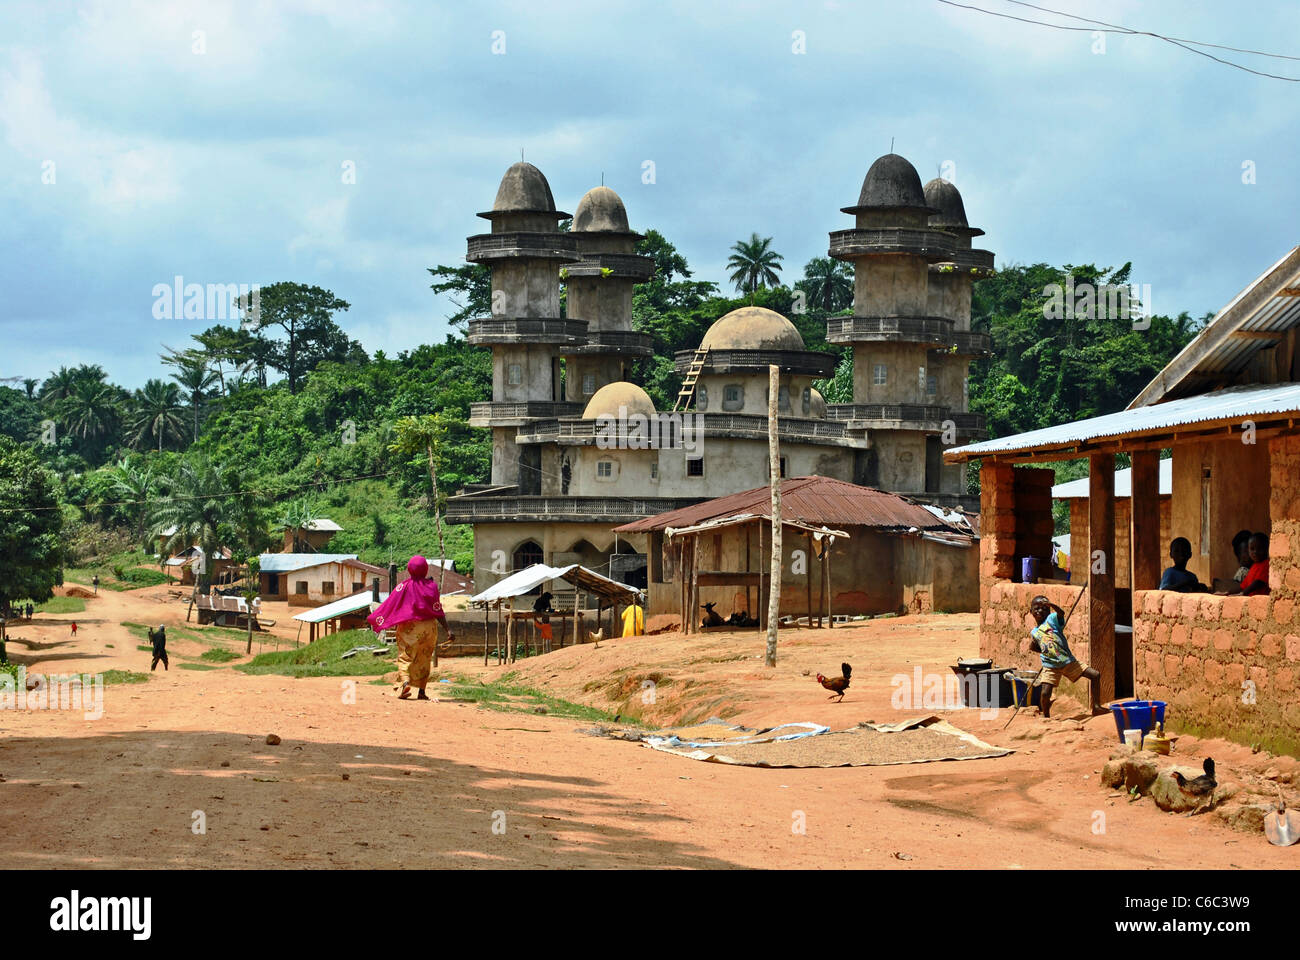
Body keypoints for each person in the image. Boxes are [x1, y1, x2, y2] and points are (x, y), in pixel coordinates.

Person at [367, 555, 454, 701]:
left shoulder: (403, 586)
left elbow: (391, 604)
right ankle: (421, 691)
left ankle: (405, 683)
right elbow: (437, 609)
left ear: (409, 569)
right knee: (424, 658)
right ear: (425, 569)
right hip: (429, 627)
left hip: (410, 627)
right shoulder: (431, 587)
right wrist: (448, 629)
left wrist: (378, 618)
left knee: (406, 656)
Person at [1028, 595, 1102, 718]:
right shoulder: (1034, 632)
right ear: (1031, 612)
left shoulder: (1052, 620)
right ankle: (1046, 716)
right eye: (1036, 608)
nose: (1040, 611)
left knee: (1095, 675)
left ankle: (1096, 707)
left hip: (1067, 662)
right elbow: (1033, 646)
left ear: (1049, 611)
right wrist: (1047, 652)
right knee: (1045, 693)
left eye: (1044, 608)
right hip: (1050, 665)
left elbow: (1061, 613)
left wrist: (1051, 605)